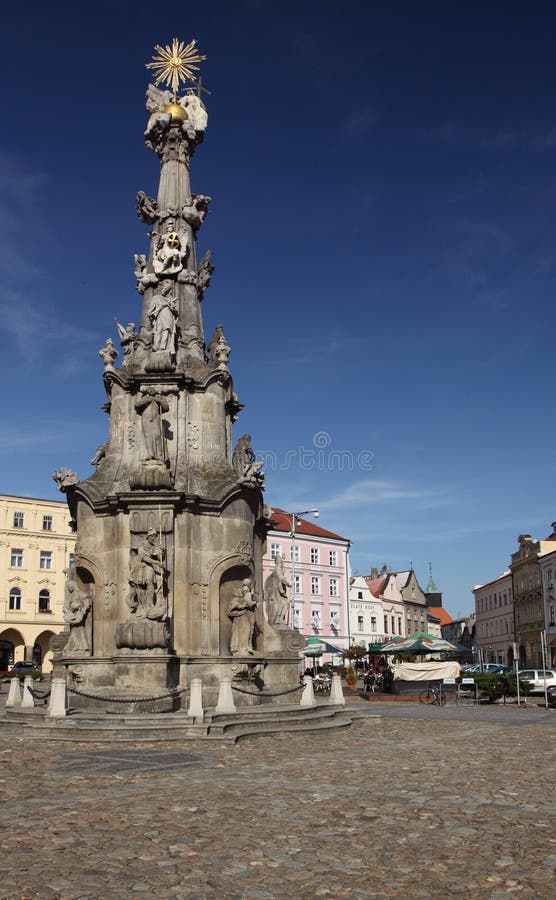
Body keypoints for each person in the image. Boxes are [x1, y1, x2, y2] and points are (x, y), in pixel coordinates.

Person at [228, 578, 257, 655]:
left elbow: (250, 602)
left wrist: (251, 600)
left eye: (248, 585)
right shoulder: (237, 596)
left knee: (249, 632)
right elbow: (232, 605)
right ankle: (241, 649)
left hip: (248, 616)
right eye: (246, 585)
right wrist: (241, 606)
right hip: (240, 617)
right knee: (242, 632)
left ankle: (247, 648)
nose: (247, 587)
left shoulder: (249, 595)